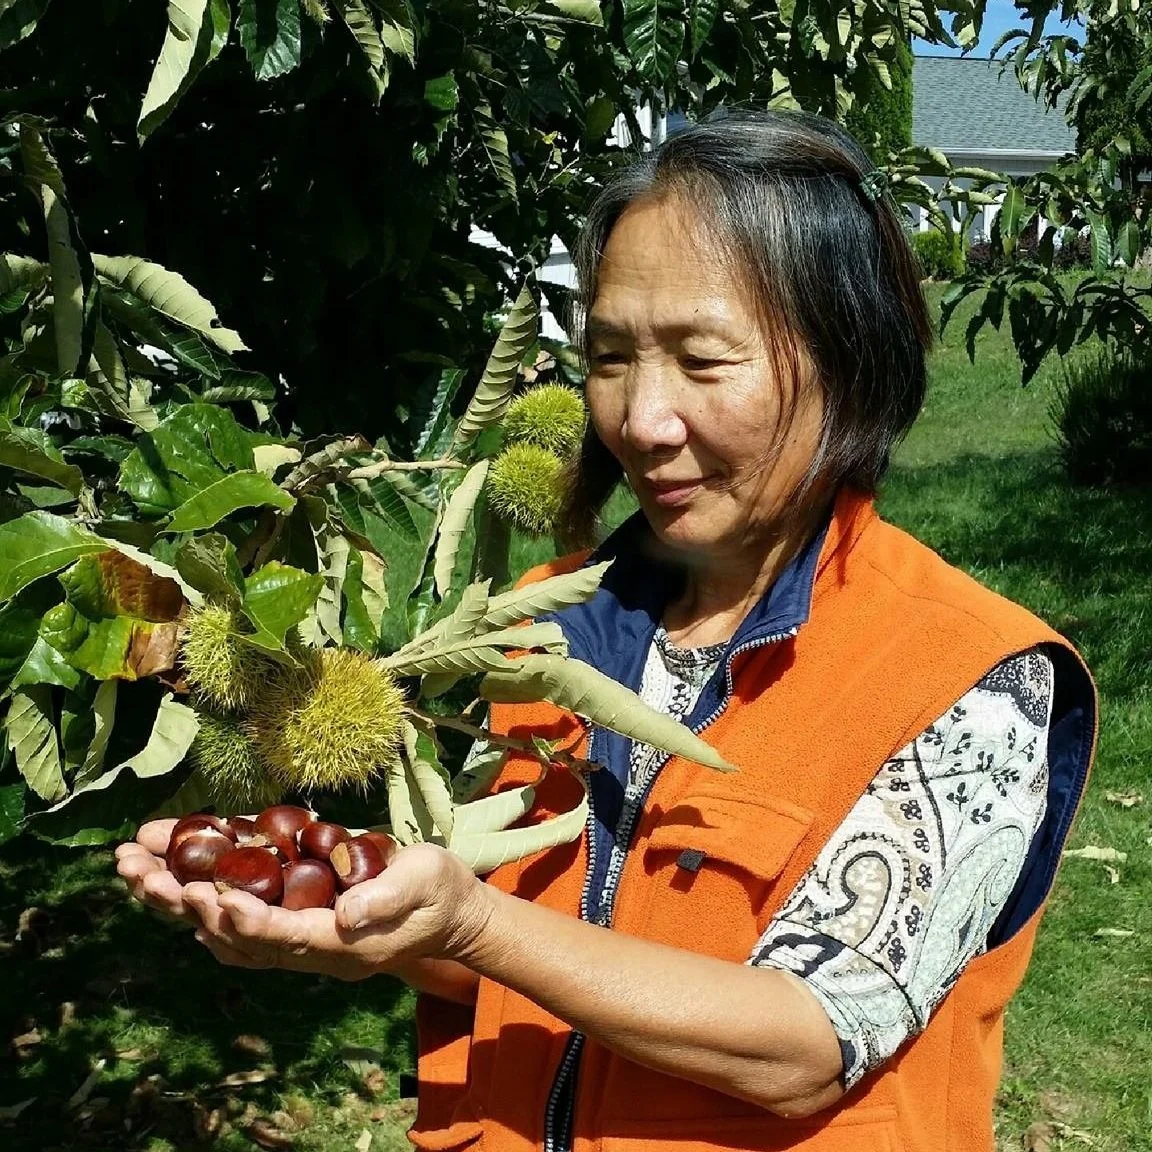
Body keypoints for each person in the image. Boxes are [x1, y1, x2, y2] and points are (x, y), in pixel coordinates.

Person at [117, 111, 1097, 1152]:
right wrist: (374, 930)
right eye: (613, 356)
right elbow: (527, 955)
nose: (641, 418)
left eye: (703, 360)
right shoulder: (545, 620)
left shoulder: (976, 676)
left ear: (848, 361)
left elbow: (810, 1041)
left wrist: (473, 922)